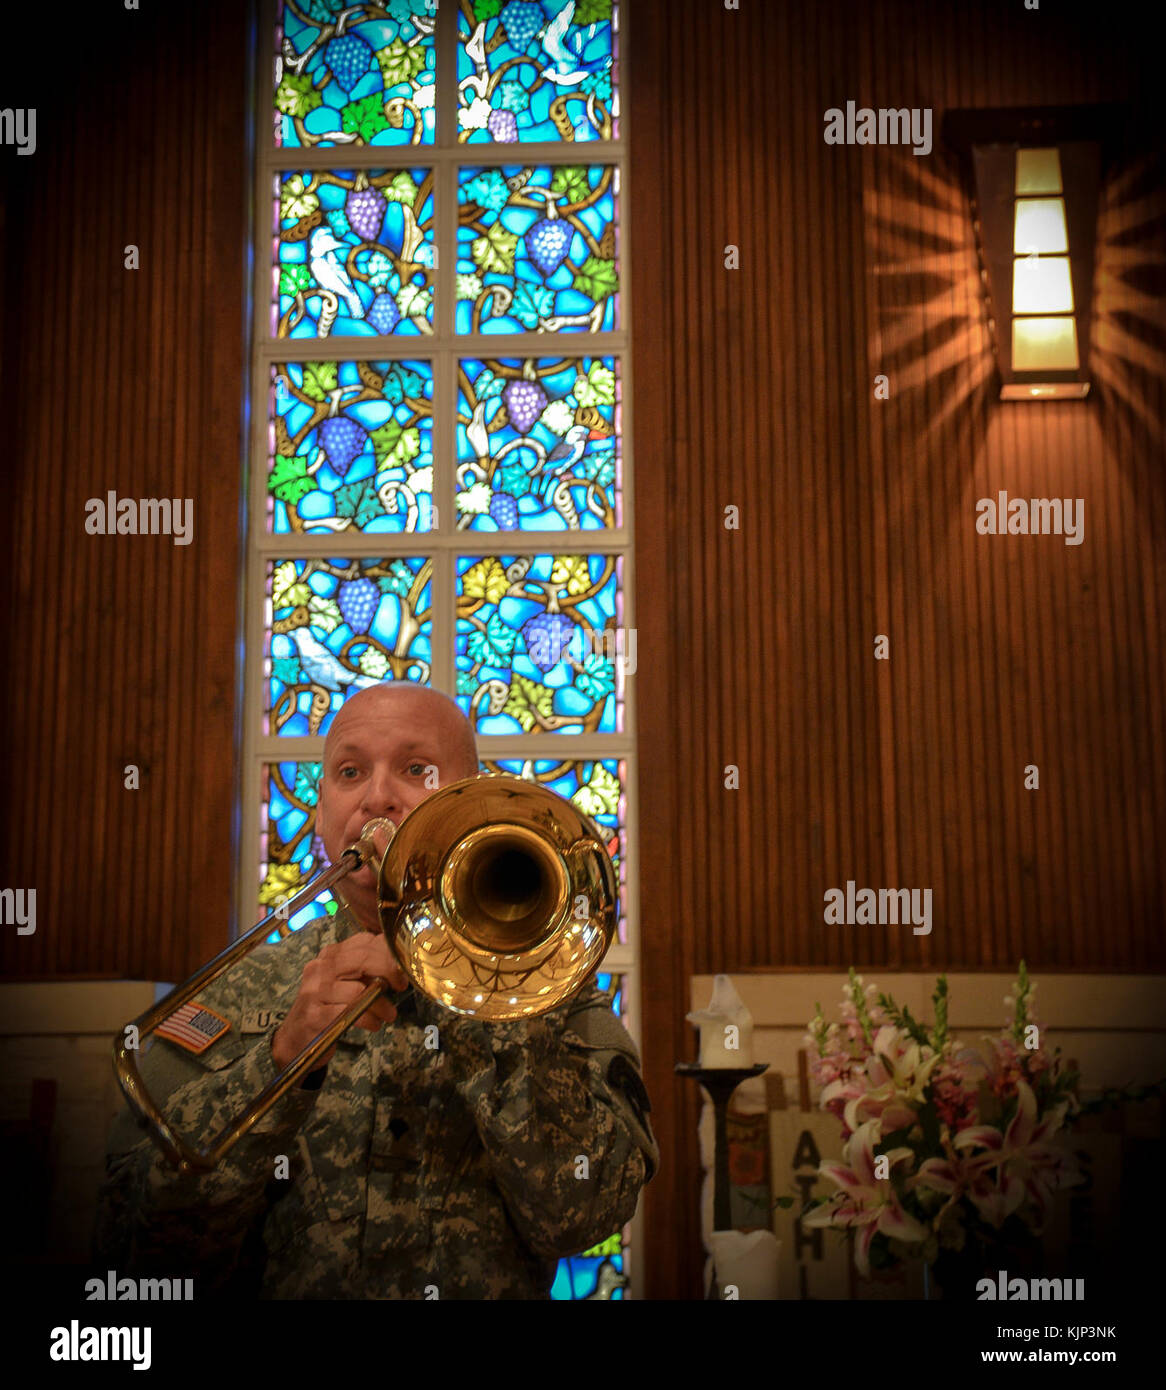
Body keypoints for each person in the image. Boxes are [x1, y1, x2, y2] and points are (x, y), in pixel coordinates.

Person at [93, 683, 658, 1299]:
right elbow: (137, 1253)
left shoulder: (551, 991)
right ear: (320, 812)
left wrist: (467, 990)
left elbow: (586, 1212)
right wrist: (277, 1065)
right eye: (349, 771)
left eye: (417, 769)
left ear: (474, 803)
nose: (377, 797)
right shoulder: (234, 990)